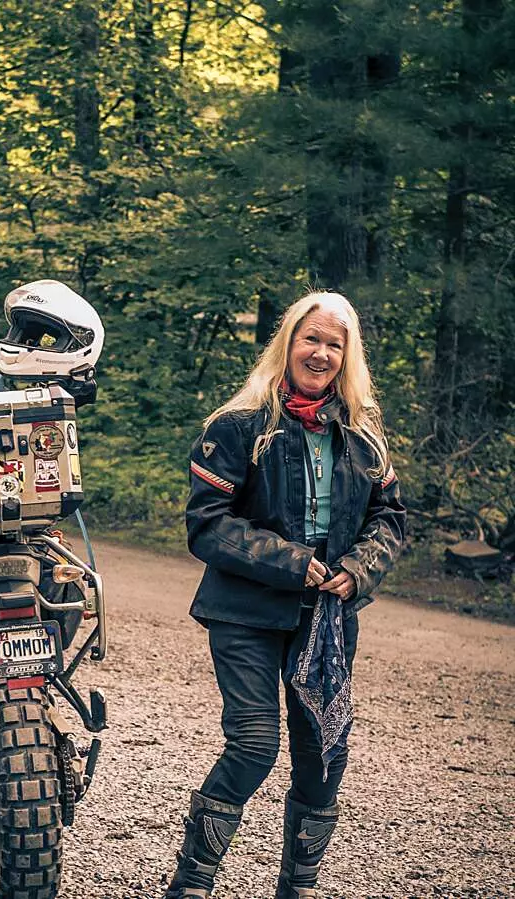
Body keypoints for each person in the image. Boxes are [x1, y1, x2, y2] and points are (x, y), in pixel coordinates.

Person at [165, 291, 406, 898]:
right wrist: (294, 563)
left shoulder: (363, 435)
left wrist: (358, 569)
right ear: (289, 344)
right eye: (311, 339)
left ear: (346, 356)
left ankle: (297, 888)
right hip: (244, 610)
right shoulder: (241, 425)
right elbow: (208, 524)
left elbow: (390, 517)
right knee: (253, 744)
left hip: (327, 617)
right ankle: (191, 884)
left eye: (334, 343)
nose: (320, 353)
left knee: (324, 751)